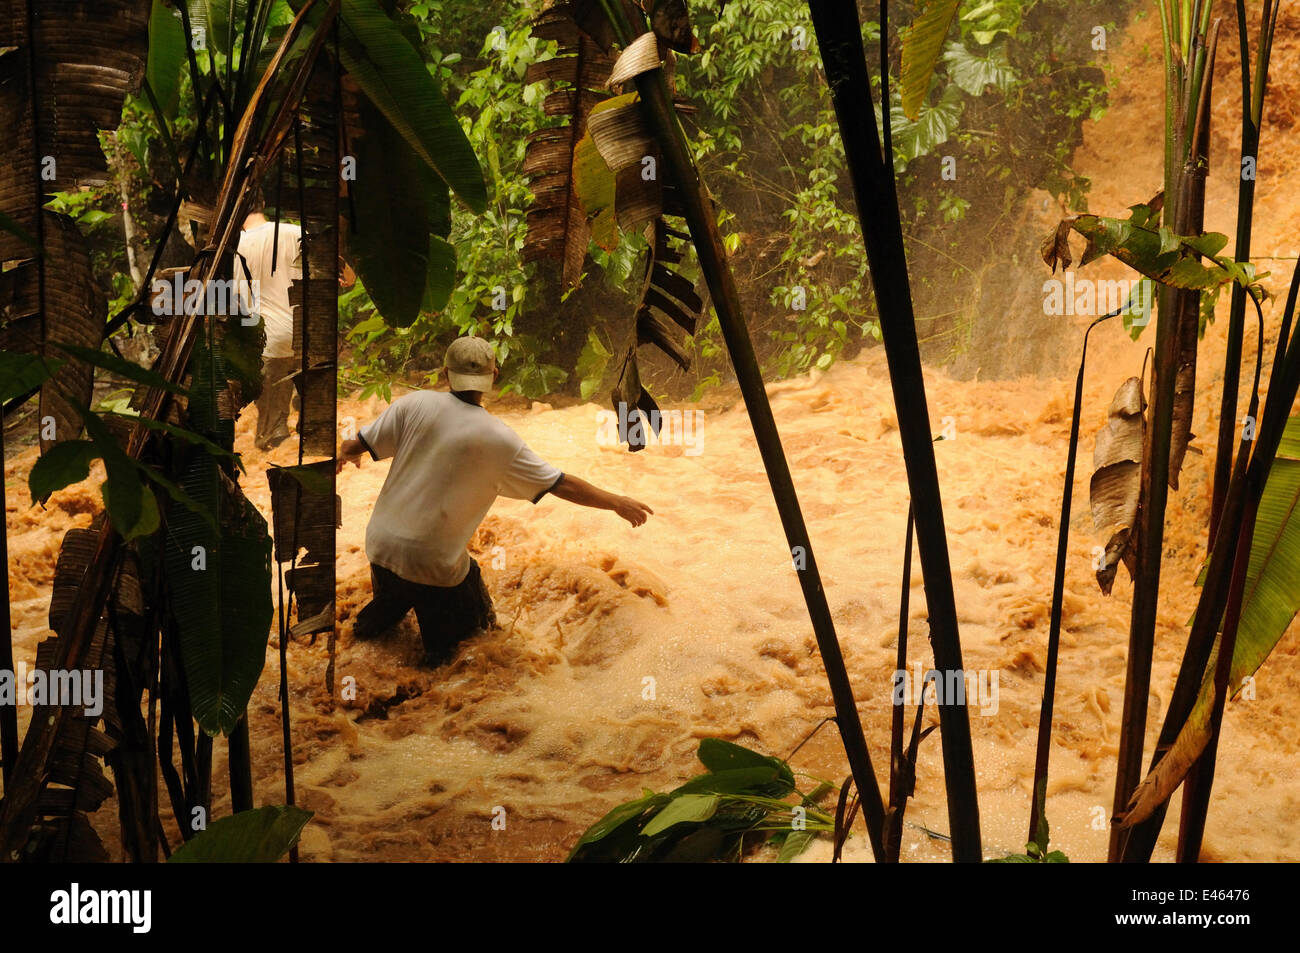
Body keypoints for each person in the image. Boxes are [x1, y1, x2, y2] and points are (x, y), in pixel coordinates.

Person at [337, 336, 654, 666]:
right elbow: (563, 485)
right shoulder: (501, 439)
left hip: (381, 546)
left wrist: (342, 455)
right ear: (494, 375)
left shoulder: (411, 405)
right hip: (435, 563)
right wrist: (617, 502)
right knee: (468, 651)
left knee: (390, 619)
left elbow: (354, 446)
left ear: (445, 373)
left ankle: (366, 637)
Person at [236, 201, 302, 451]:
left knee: (270, 437)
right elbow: (341, 275)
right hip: (309, 334)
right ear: (263, 204)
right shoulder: (295, 233)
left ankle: (275, 435)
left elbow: (240, 301)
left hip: (271, 339)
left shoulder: (238, 248)